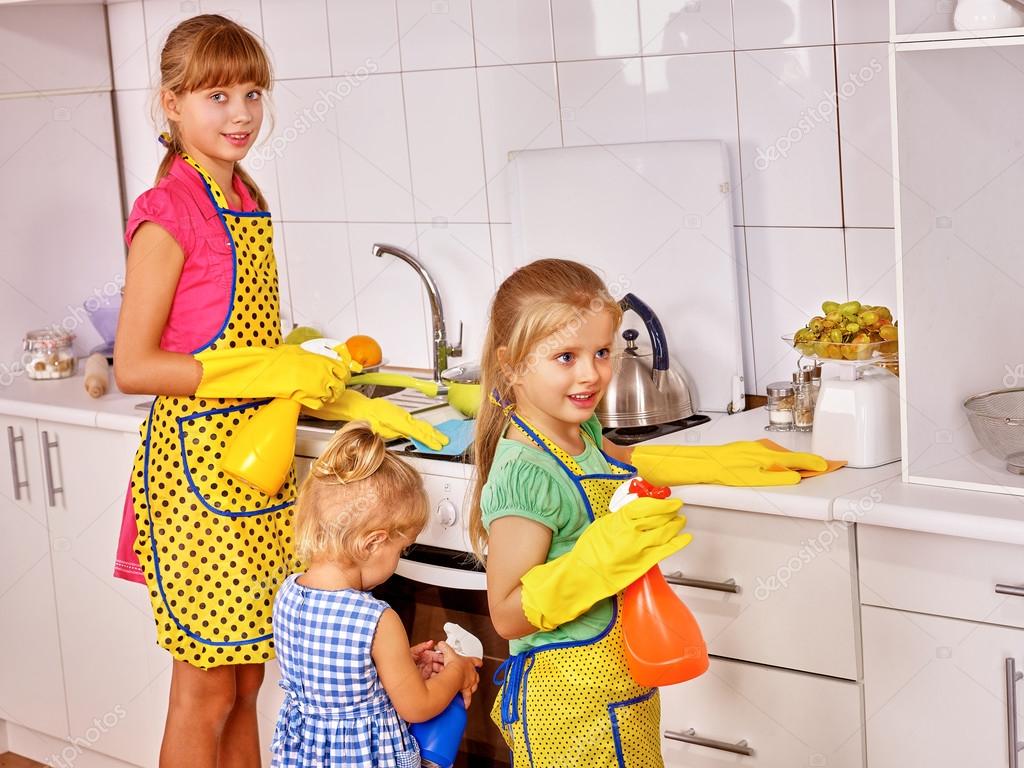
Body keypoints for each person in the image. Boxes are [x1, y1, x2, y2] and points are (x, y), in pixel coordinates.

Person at [112, 14, 442, 766]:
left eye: (253, 93)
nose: (240, 114)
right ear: (171, 103)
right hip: (198, 477)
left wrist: (311, 371)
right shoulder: (170, 213)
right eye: (216, 96)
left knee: (248, 681)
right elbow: (135, 364)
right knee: (205, 689)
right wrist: (265, 371)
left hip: (256, 468)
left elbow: (236, 335)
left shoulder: (245, 194)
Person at [470, 259, 827, 766]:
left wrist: (721, 461)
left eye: (600, 352)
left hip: (622, 690)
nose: (590, 373)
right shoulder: (525, 472)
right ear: (511, 365)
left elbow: (621, 458)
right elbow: (506, 614)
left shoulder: (576, 429)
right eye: (565, 357)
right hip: (567, 710)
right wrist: (599, 558)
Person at [272, 421, 481, 768]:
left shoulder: (289, 592)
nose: (398, 560)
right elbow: (418, 706)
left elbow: (334, 677)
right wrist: (456, 673)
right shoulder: (377, 619)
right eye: (401, 549)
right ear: (373, 543)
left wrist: (398, 665)